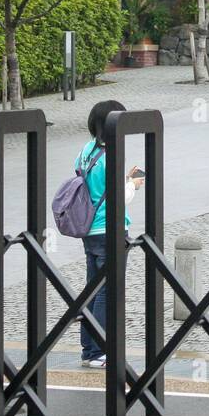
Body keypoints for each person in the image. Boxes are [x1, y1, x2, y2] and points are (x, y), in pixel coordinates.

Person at [76, 100, 143, 369]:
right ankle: (98, 351)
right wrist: (133, 184)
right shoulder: (112, 153)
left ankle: (88, 349)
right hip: (110, 228)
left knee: (92, 288)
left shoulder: (86, 150)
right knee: (106, 291)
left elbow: (94, 185)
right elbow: (117, 198)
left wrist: (123, 178)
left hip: (89, 229)